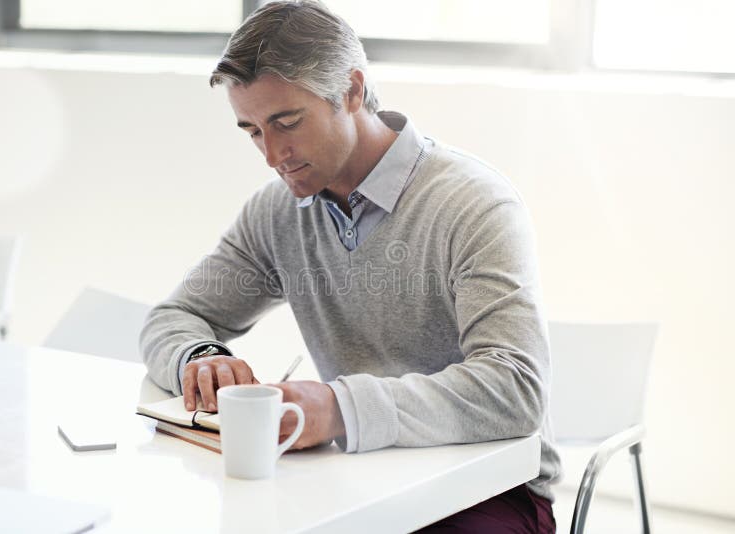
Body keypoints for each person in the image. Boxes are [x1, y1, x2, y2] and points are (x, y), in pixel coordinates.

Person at [140, 1, 560, 531]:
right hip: (356, 479)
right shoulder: (278, 213)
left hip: (488, 489)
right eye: (251, 131)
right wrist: (198, 357)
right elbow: (173, 317)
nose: (272, 155)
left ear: (352, 91)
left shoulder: (474, 204)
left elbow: (514, 389)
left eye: (287, 122)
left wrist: (339, 409)